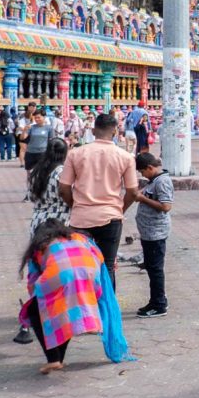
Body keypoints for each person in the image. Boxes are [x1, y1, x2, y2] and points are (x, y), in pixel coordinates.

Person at [18, 220, 133, 374]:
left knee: (36, 312)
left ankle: (53, 359)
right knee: (68, 315)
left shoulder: (40, 246)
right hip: (89, 276)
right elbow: (99, 258)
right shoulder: (80, 239)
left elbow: (33, 283)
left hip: (59, 276)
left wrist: (40, 303)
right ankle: (58, 359)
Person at [58, 113, 138, 287]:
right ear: (115, 132)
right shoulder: (125, 157)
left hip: (81, 218)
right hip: (110, 217)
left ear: (93, 131)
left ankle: (85, 309)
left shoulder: (75, 154)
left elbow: (64, 188)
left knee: (80, 266)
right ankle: (107, 311)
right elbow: (132, 191)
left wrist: (75, 205)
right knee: (107, 265)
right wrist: (120, 209)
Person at [133, 152, 172, 318]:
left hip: (156, 232)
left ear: (150, 167)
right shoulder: (154, 180)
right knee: (151, 266)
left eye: (142, 172)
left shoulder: (162, 182)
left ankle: (159, 304)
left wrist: (142, 199)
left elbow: (166, 206)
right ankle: (158, 298)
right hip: (149, 232)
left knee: (155, 269)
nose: (142, 175)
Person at [28, 138, 71, 235]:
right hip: (60, 222)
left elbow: (31, 196)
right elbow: (67, 193)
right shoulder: (62, 172)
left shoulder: (36, 171)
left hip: (38, 221)